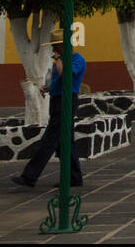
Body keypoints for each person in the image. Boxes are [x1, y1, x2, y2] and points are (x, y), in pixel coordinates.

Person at [12, 43, 85, 188]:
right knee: (66, 141)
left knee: (49, 139)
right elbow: (55, 79)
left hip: (67, 100)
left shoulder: (77, 59)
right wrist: (48, 86)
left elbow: (66, 74)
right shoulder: (58, 62)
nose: (53, 52)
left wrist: (59, 60)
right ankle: (74, 178)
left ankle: (30, 176)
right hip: (57, 100)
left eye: (55, 49)